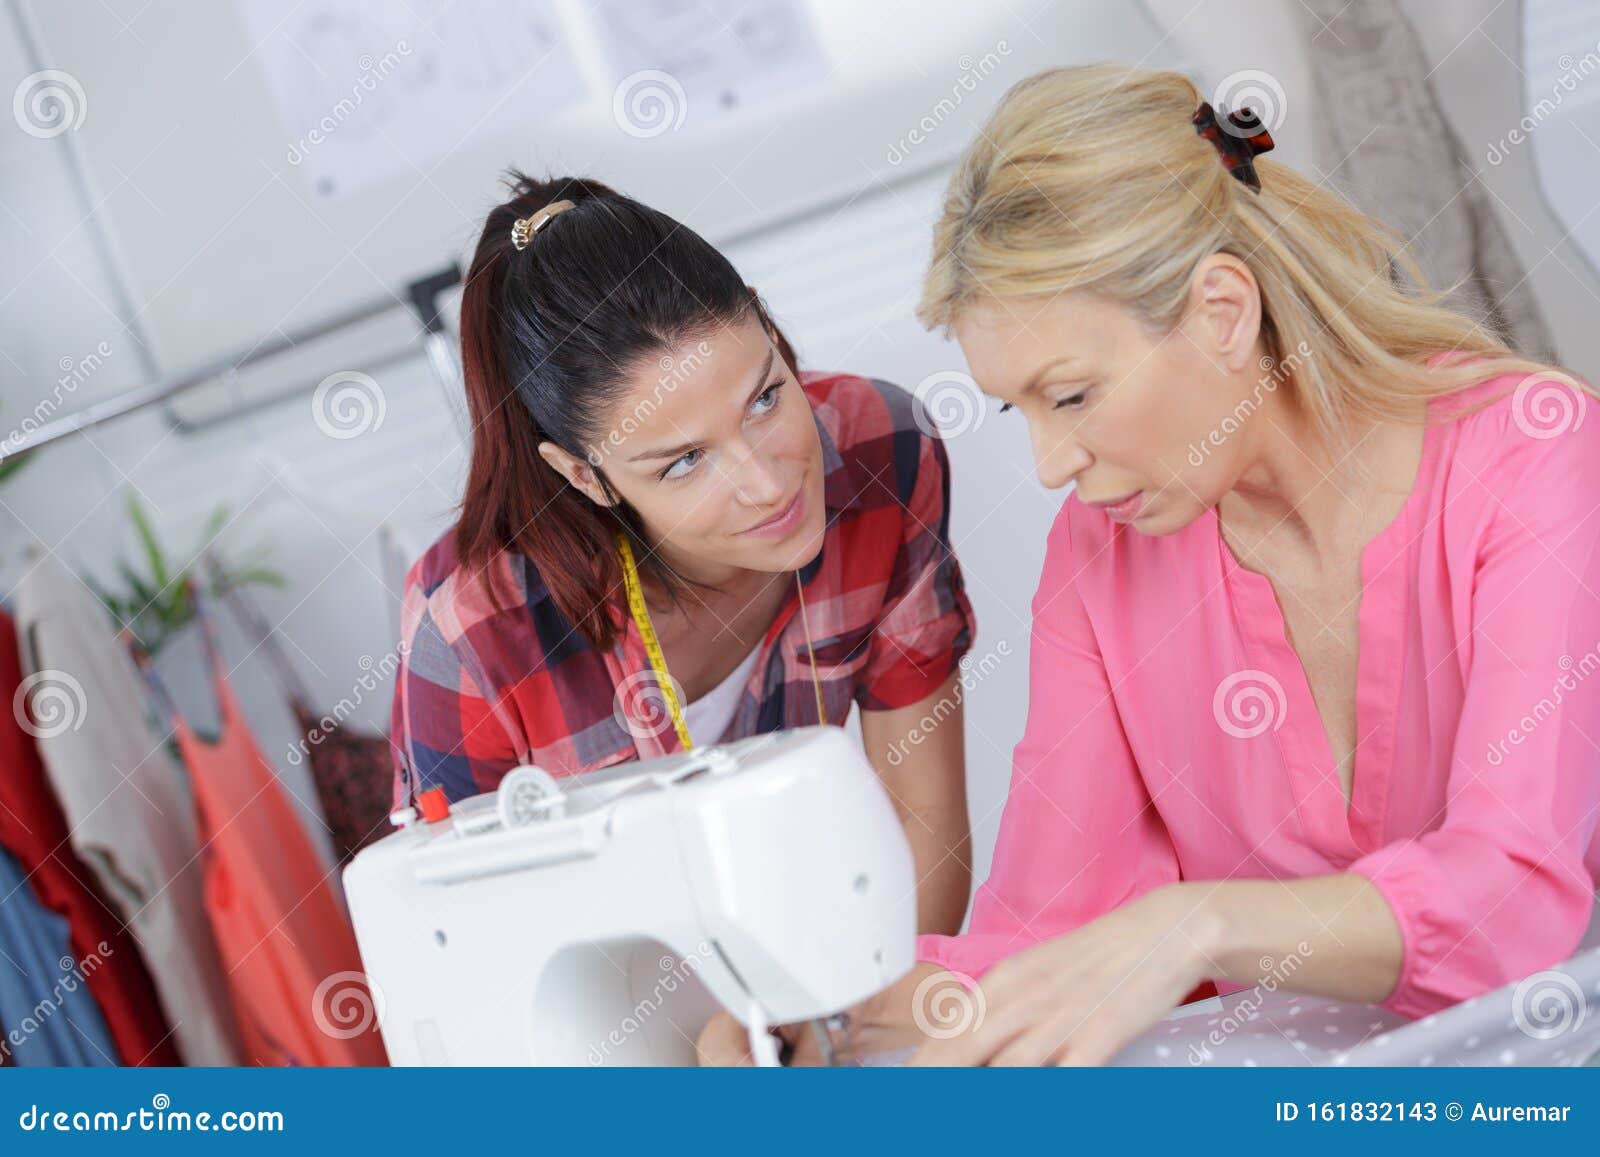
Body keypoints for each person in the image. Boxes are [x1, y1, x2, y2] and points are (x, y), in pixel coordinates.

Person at [701, 63, 1600, 1066]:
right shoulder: (1102, 554)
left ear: (1222, 311)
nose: (1051, 466)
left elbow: (1515, 895)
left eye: (1072, 395)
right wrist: (829, 1015)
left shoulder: (1533, 453)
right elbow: (1048, 932)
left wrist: (1197, 922)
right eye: (1017, 410)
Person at [389, 174, 977, 934]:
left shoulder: (883, 449)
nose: (768, 485)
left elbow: (919, 819)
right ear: (583, 475)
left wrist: (886, 1024)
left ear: (766, 321)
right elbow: (478, 944)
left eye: (764, 399)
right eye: (683, 462)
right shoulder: (471, 629)